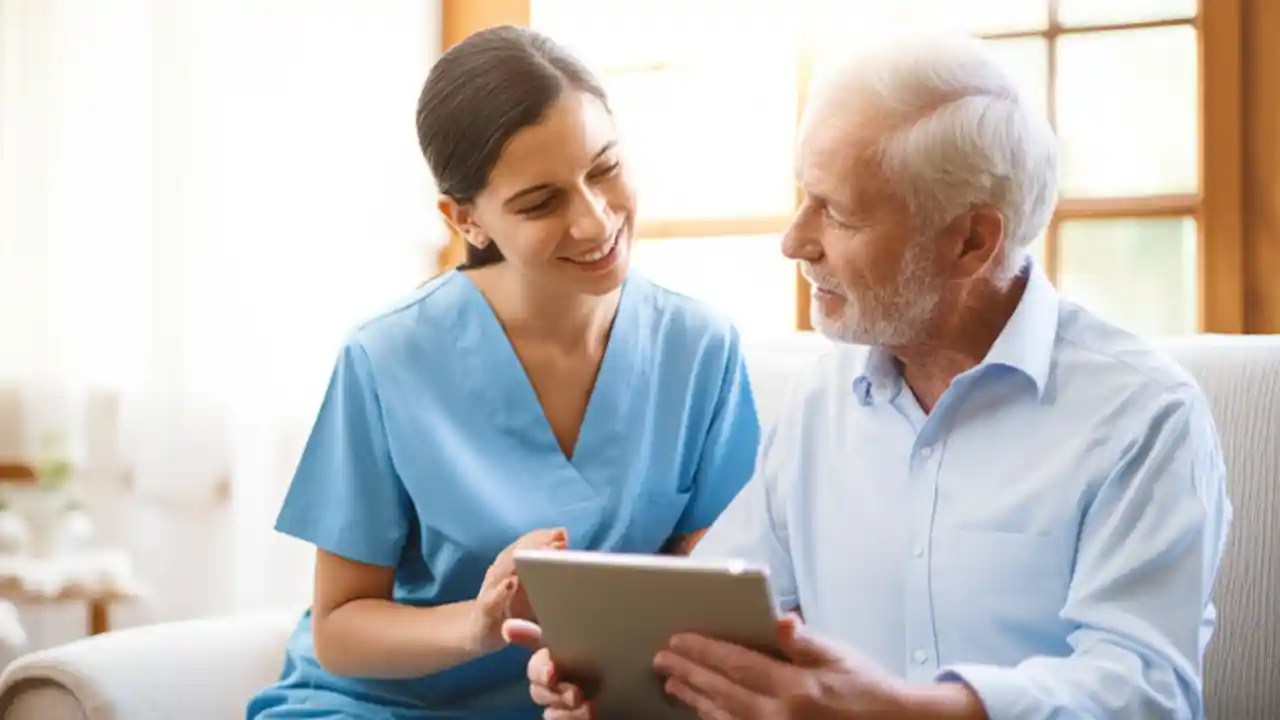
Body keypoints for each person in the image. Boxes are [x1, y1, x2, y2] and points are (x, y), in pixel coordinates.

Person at [514, 34, 1232, 720]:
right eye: (804, 197)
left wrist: (901, 712)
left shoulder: (1142, 415)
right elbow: (712, 618)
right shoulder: (824, 398)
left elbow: (1146, 690)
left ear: (971, 241)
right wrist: (615, 669)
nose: (795, 240)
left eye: (840, 215)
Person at [246, 25, 760, 719]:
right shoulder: (386, 358)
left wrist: (618, 683)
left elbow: (716, 596)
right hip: (379, 707)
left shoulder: (700, 351)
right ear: (467, 219)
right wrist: (478, 624)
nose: (595, 220)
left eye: (604, 167)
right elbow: (339, 631)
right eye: (541, 202)